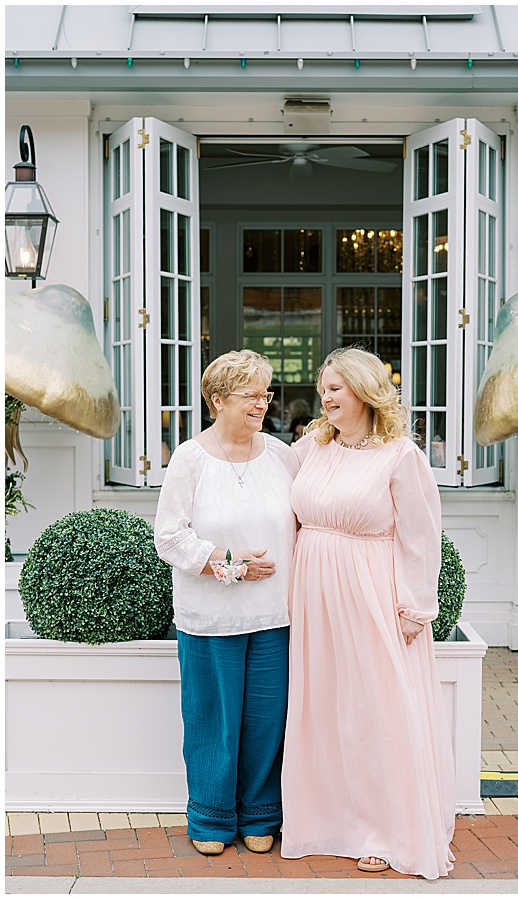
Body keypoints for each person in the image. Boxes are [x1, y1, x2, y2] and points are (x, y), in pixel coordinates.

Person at [280, 347, 455, 878]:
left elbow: (422, 537)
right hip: (312, 598)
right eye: (322, 387)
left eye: (334, 388)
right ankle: (326, 820)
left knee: (375, 711)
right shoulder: (312, 447)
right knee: (323, 706)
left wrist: (416, 607)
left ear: (364, 391)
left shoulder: (400, 455)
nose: (324, 397)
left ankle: (386, 829)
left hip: (371, 595)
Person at [154, 350, 297, 856]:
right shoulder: (189, 459)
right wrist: (228, 563)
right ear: (217, 400)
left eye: (266, 392)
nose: (263, 403)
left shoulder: (283, 456)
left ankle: (260, 813)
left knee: (265, 718)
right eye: (251, 394)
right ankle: (211, 818)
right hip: (209, 617)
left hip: (275, 615)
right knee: (212, 718)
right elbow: (168, 538)